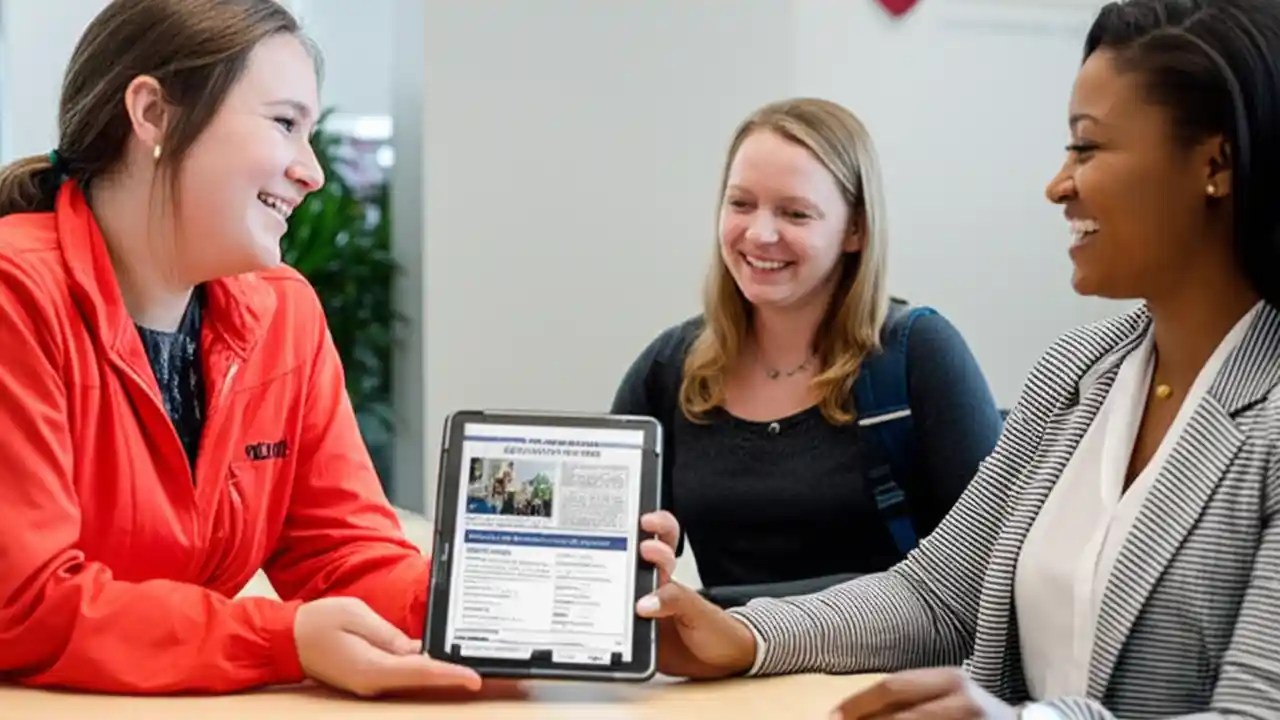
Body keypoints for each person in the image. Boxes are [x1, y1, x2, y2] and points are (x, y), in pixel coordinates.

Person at [635, 0, 1280, 717]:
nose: (1058, 184)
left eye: (1087, 148)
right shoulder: (1078, 373)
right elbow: (936, 595)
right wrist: (747, 636)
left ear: (1214, 163)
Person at [0, 0, 539, 698]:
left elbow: (342, 556)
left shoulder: (284, 312)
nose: (312, 172)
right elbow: (27, 605)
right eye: (285, 124)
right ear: (154, 114)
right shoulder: (17, 293)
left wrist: (506, 605)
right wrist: (283, 639)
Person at [611, 98, 1003, 607]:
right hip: (718, 679)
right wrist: (636, 569)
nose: (759, 233)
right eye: (740, 204)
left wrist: (733, 620)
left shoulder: (916, 355)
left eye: (795, 213)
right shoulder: (669, 369)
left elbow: (995, 566)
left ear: (855, 230)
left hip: (882, 674)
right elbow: (601, 561)